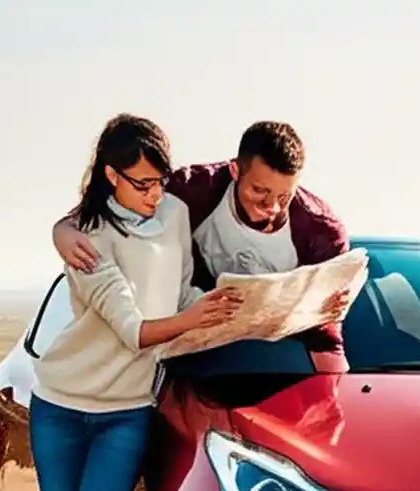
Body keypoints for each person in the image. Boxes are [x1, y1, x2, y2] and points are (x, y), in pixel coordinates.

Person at [23, 114, 242, 491]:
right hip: (61, 410)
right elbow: (135, 330)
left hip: (124, 416)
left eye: (160, 181)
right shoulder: (87, 237)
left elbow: (174, 301)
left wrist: (226, 306)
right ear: (111, 176)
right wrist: (192, 320)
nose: (155, 194)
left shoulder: (172, 215)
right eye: (142, 183)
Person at [50, 120, 350, 353]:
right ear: (234, 170)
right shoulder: (193, 190)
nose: (270, 207)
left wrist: (328, 311)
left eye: (284, 196)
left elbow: (328, 338)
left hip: (282, 358)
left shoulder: (322, 231)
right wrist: (64, 228)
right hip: (199, 347)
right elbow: (116, 202)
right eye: (259, 191)